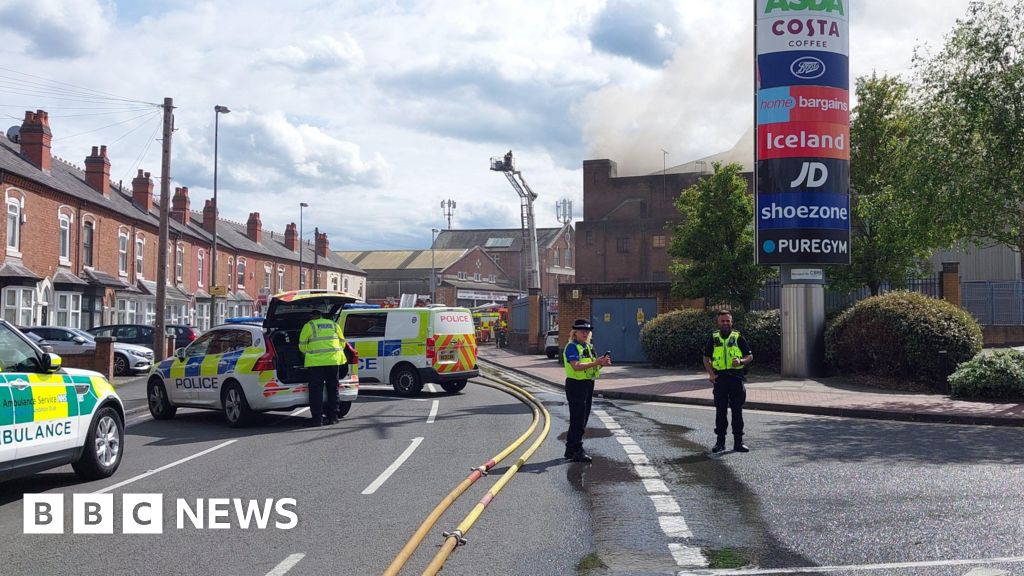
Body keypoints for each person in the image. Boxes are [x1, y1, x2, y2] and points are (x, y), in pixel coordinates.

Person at [703, 310, 753, 453]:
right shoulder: (713, 338)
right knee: (721, 411)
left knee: (737, 411)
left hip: (736, 378)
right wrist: (711, 374)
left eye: (728, 321)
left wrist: (741, 361)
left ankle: (738, 443)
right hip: (720, 380)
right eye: (722, 321)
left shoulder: (737, 336)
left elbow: (750, 356)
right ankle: (720, 443)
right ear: (718, 322)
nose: (725, 323)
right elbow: (706, 357)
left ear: (731, 322)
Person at [563, 318, 612, 462]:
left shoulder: (589, 347)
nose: (585, 333)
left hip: (587, 384)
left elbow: (592, 367)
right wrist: (596, 362)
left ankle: (570, 449)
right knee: (578, 419)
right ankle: (577, 449)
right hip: (576, 385)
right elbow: (576, 366)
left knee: (582, 418)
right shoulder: (572, 347)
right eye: (582, 331)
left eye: (587, 331)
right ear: (575, 333)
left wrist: (601, 363)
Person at [299, 309, 348, 427]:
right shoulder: (334, 325)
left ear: (312, 317)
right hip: (333, 360)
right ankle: (333, 417)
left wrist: (308, 353)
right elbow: (343, 343)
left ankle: (317, 419)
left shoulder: (309, 326)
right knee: (333, 388)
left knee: (316, 390)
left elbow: (302, 345)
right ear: (321, 316)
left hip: (316, 363)